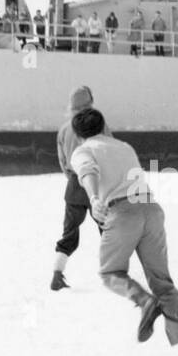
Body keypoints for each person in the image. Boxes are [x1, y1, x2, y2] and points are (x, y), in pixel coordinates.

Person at [68, 107, 178, 356]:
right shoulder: (124, 146)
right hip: (151, 209)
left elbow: (88, 171)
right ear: (104, 125)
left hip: (122, 212)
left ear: (77, 135)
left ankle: (144, 302)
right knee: (163, 282)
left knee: (111, 273)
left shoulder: (82, 150)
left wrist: (94, 197)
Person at [51, 85, 110, 291]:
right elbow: (107, 152)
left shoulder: (64, 129)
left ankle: (57, 275)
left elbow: (62, 160)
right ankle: (112, 274)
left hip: (75, 185)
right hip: (96, 184)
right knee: (108, 230)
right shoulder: (99, 125)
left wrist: (73, 178)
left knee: (69, 234)